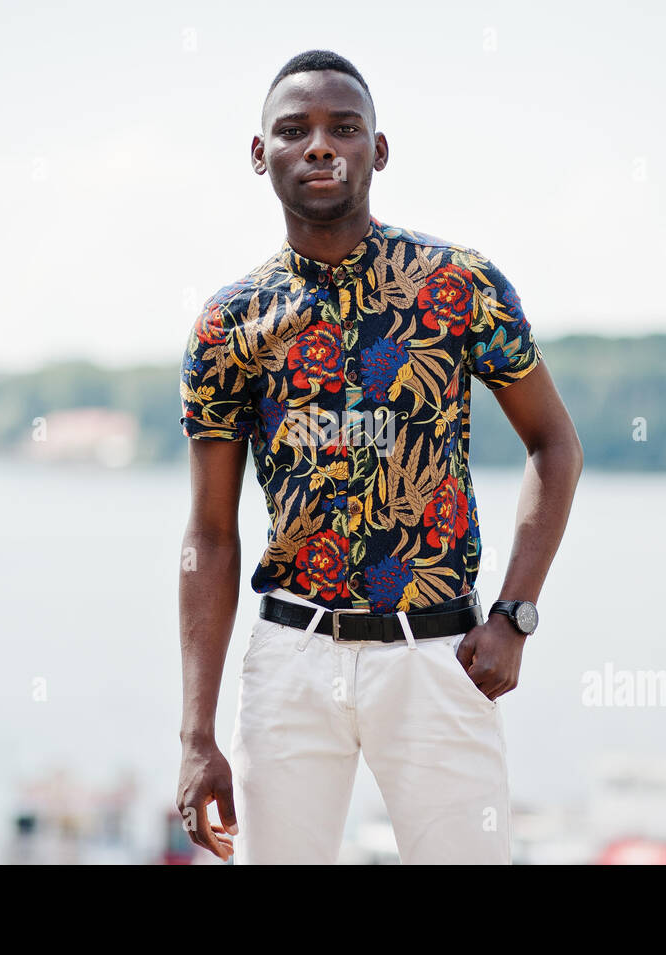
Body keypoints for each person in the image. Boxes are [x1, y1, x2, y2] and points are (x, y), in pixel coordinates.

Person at [176, 49, 583, 864]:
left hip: (437, 656)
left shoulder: (459, 284)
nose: (320, 146)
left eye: (343, 129)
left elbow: (554, 446)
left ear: (378, 150)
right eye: (294, 131)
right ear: (261, 155)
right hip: (291, 660)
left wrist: (514, 615)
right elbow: (212, 537)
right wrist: (196, 735)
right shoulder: (229, 325)